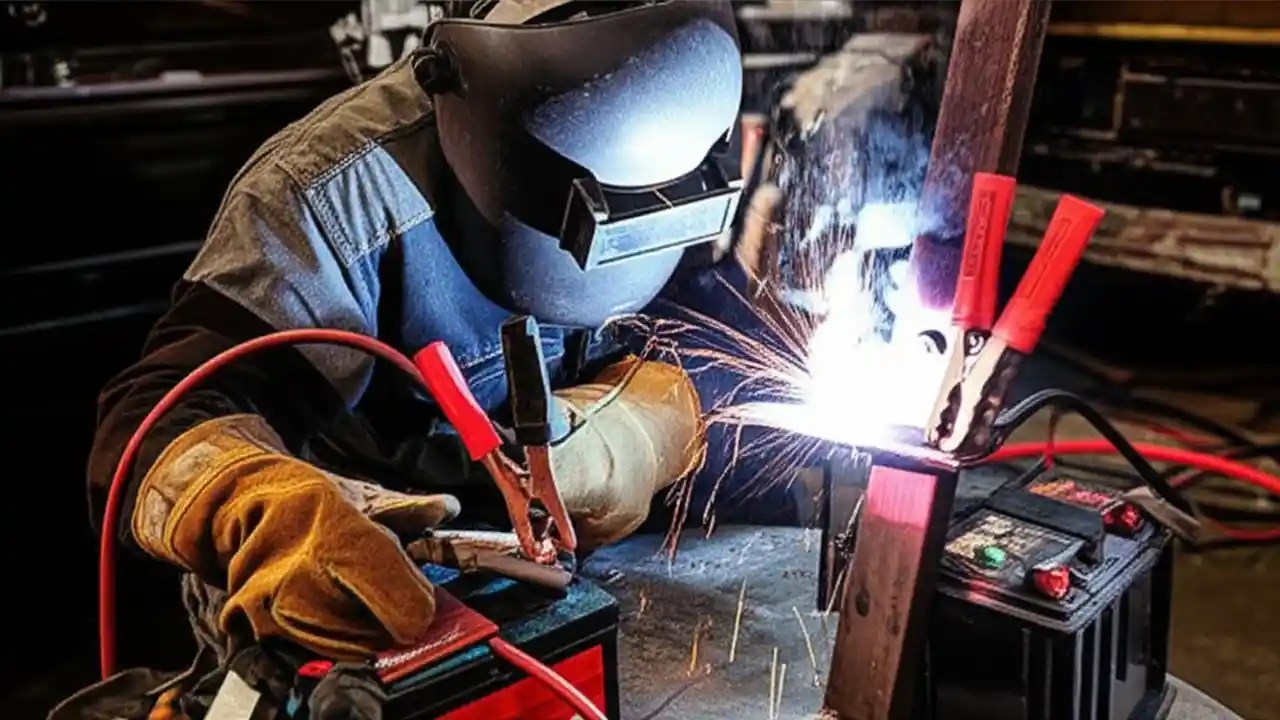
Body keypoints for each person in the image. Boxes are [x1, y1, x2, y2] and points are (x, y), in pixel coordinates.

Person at [76, 1, 751, 702]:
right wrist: (260, 510)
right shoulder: (332, 199)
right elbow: (149, 424)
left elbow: (739, 354)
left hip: (573, 598)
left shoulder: (686, 130)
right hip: (360, 619)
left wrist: (641, 431)